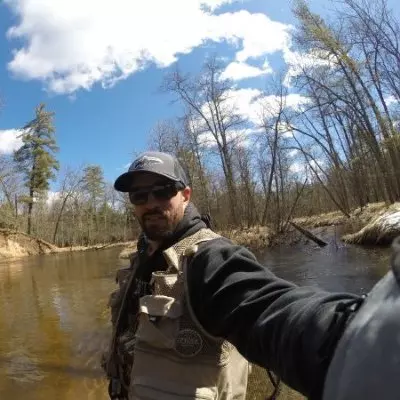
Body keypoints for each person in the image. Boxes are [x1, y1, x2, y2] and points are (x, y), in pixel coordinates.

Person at [102, 151, 367, 400]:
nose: (151, 204)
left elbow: (273, 311)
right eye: (139, 196)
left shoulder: (209, 258)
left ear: (185, 195)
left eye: (162, 191)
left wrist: (357, 341)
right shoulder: (143, 254)